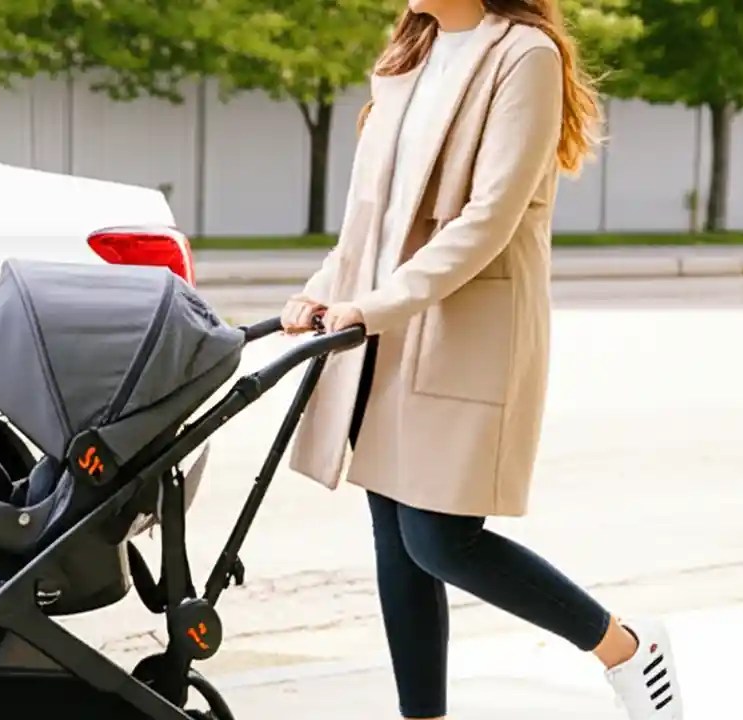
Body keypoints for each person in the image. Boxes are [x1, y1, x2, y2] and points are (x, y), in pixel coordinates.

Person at [278, 1, 684, 718]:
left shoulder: (525, 56)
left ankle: (626, 646)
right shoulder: (407, 56)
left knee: (440, 539)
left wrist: (376, 305)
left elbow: (490, 216)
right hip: (386, 323)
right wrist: (319, 291)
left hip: (466, 327)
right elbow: (369, 216)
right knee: (395, 541)